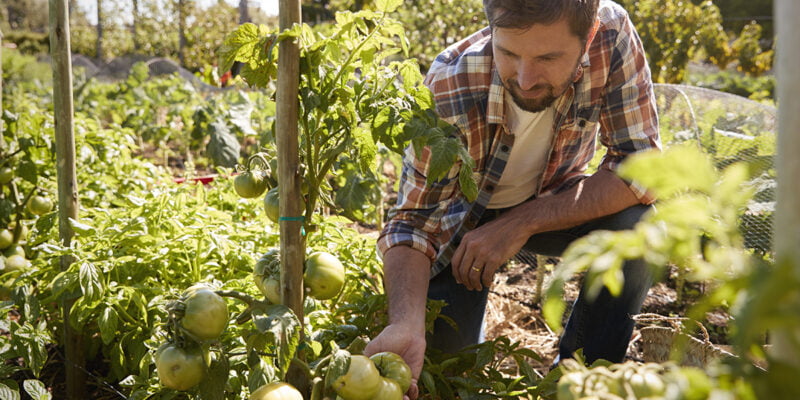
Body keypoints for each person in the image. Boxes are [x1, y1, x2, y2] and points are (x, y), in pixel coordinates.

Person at [363, 0, 660, 398]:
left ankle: (583, 381)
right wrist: (404, 323)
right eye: (508, 53)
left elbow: (639, 164)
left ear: (587, 38)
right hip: (462, 224)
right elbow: (414, 221)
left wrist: (522, 222)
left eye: (548, 57)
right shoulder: (450, 81)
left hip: (553, 200)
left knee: (637, 227)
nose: (525, 78)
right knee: (454, 372)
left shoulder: (610, 34)